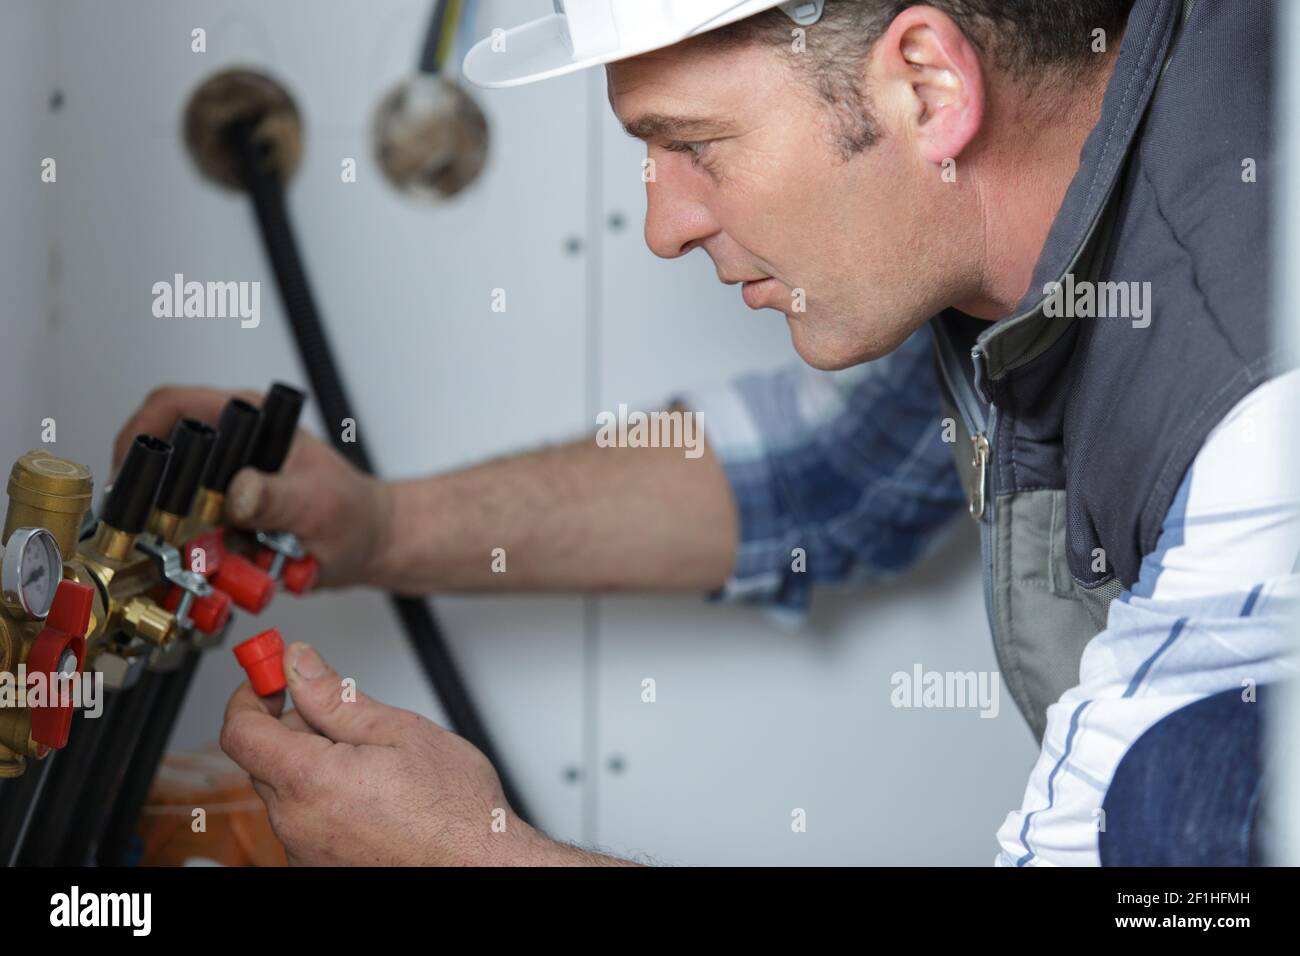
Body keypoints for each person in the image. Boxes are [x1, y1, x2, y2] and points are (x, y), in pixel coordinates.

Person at [113, 0, 1298, 866]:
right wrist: (380, 524)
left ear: (929, 85)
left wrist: (469, 860)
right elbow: (831, 478)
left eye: (693, 145)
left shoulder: (1252, 398)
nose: (664, 226)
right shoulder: (1044, 214)